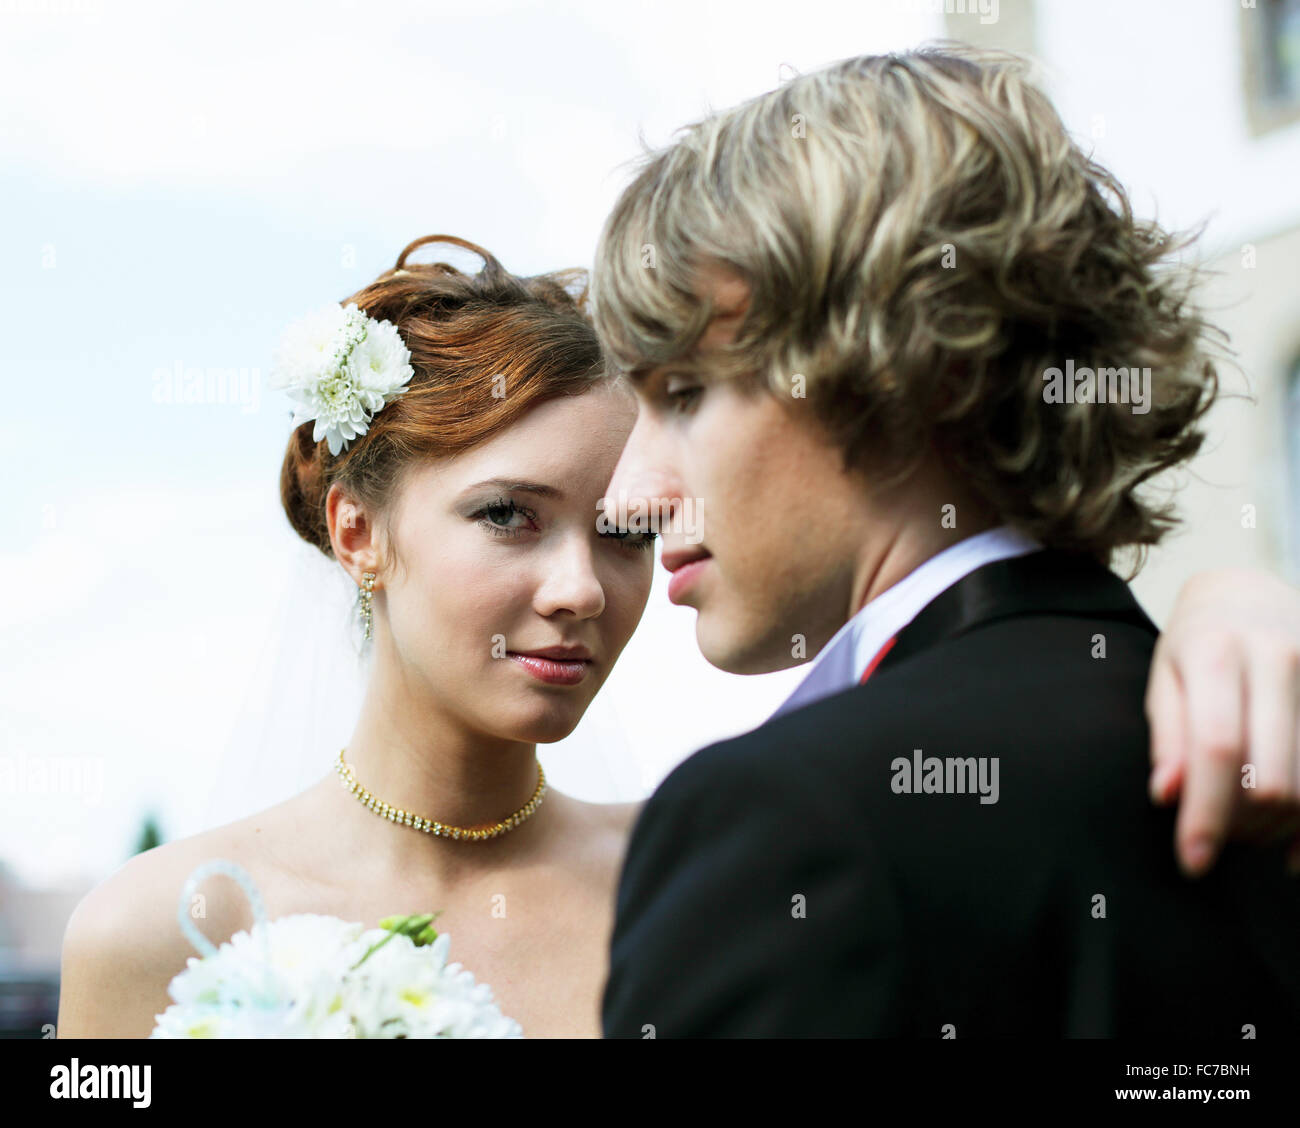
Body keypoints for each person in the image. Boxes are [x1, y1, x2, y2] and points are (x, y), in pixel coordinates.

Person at [593, 46, 1300, 1036]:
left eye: (684, 394)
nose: (629, 499)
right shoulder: (1252, 748)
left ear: (911, 367)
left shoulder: (788, 821)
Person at [57, 235, 656, 1038]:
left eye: (628, 530)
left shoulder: (685, 885)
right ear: (357, 533)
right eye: (508, 515)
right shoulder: (159, 931)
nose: (581, 588)